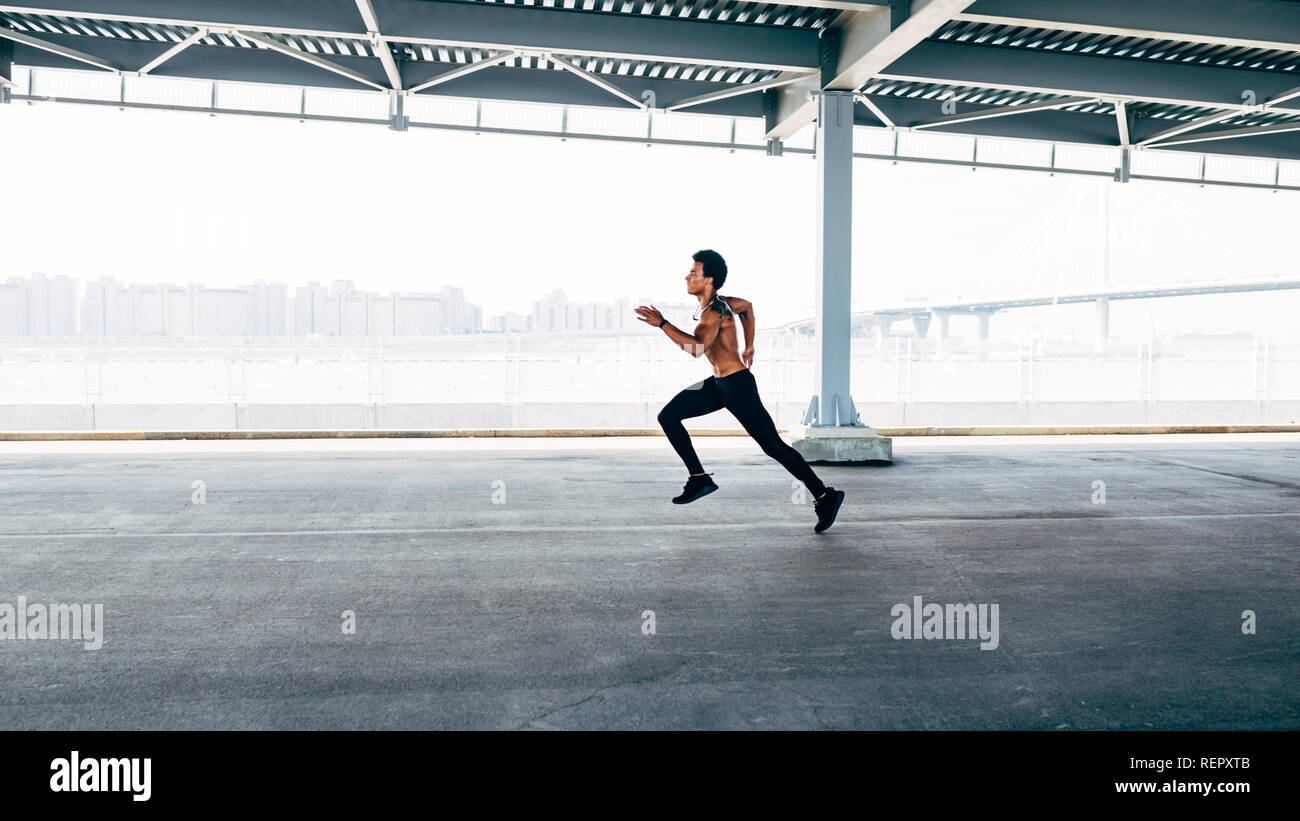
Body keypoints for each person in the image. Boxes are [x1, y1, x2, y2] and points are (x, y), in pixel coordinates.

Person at [635, 249, 846, 534]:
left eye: (694, 273)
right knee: (668, 416)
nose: (688, 276)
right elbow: (746, 306)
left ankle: (825, 495)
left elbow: (696, 348)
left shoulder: (712, 312)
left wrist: (662, 324)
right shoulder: (724, 303)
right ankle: (699, 478)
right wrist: (749, 344)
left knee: (773, 446)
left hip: (737, 387)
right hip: (718, 385)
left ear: (708, 279)